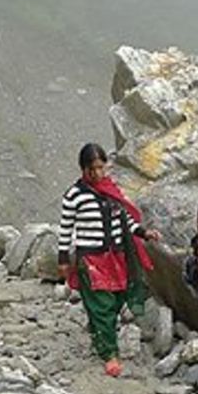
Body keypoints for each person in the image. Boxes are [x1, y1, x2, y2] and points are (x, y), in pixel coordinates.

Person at [58, 143, 161, 377]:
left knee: (116, 300)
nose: (97, 173)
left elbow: (126, 221)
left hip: (117, 256)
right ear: (83, 168)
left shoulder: (111, 191)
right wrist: (63, 259)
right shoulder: (74, 196)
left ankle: (99, 333)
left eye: (100, 168)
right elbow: (65, 230)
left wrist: (144, 233)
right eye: (91, 169)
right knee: (102, 304)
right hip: (91, 259)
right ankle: (109, 354)